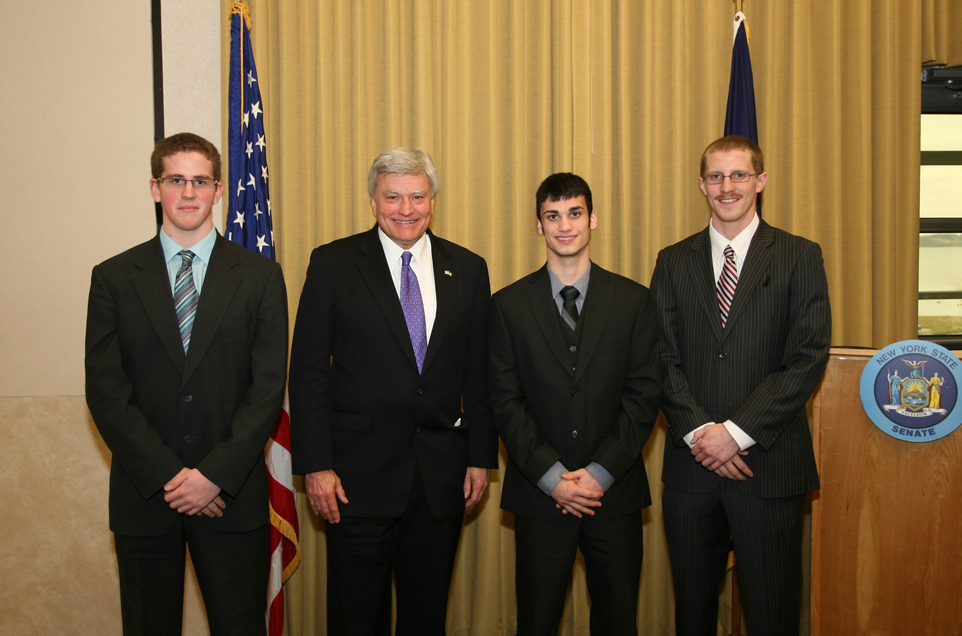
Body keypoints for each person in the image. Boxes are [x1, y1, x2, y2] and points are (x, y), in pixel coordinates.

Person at [85, 132, 289, 636]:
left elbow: (266, 389)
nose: (189, 193)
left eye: (201, 181)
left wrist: (213, 475)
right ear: (155, 188)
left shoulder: (261, 277)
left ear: (219, 190)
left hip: (231, 495)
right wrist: (172, 478)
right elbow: (106, 392)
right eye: (177, 180)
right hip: (146, 497)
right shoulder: (113, 277)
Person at [288, 148, 496, 636]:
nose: (406, 209)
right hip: (353, 480)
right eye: (393, 197)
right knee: (357, 618)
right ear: (373, 200)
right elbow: (309, 372)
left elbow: (479, 375)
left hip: (440, 480)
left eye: (417, 196)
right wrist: (315, 465)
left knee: (427, 618)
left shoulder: (467, 268)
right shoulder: (333, 263)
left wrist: (480, 457)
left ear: (433, 200)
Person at [650, 135, 832, 636]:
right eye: (716, 176)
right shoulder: (672, 260)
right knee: (692, 613)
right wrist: (701, 433)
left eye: (739, 175)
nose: (727, 186)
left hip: (769, 468)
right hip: (692, 469)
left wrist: (736, 432)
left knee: (773, 614)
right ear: (702, 185)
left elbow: (806, 359)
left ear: (761, 181)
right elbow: (661, 358)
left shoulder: (799, 256)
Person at [489, 173, 662, 635]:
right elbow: (505, 403)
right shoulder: (507, 306)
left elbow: (644, 397)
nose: (564, 225)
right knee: (537, 621)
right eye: (552, 215)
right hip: (540, 497)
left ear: (593, 219)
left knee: (618, 620)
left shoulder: (634, 301)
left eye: (575, 212)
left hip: (615, 493)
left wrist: (598, 473)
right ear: (539, 226)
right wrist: (554, 479)